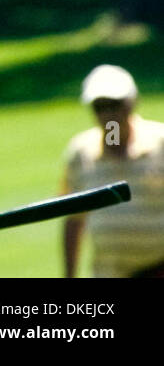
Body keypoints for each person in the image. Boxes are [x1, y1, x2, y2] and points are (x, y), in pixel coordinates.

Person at [62, 63, 164, 277]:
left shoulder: (160, 142)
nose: (108, 114)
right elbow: (73, 219)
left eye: (114, 105)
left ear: (131, 103)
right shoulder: (80, 152)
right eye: (100, 107)